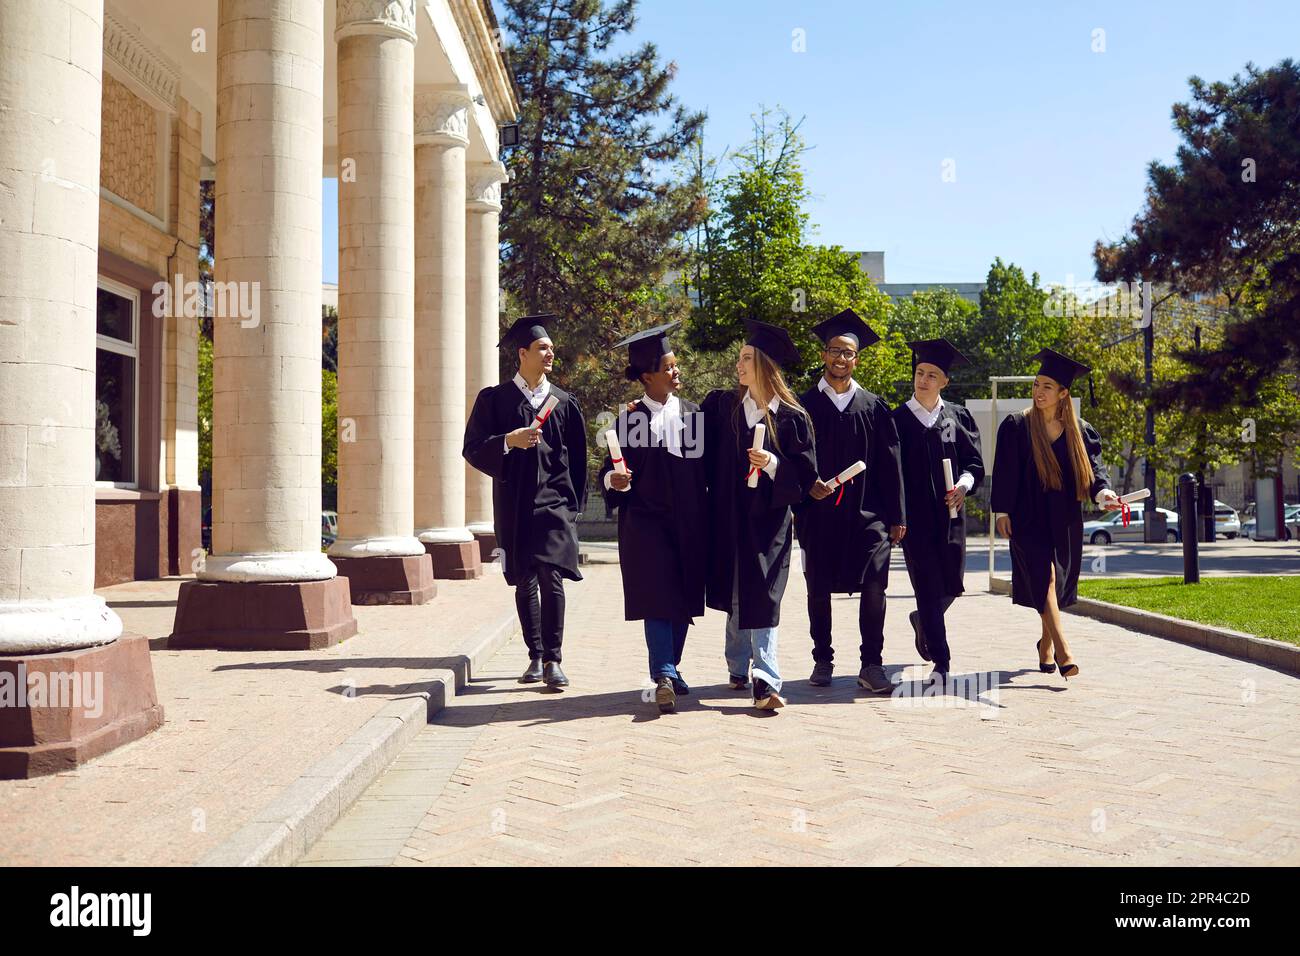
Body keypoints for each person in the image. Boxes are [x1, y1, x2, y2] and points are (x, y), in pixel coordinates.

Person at [462, 313, 588, 688]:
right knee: (525, 578)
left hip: (554, 504)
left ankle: (553, 659)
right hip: (514, 503)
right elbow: (471, 448)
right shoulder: (495, 400)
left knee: (551, 575)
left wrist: (573, 506)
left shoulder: (563, 403)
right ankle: (534, 656)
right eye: (542, 348)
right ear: (522, 353)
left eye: (551, 348)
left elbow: (578, 459)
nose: (550, 354)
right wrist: (507, 441)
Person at [702, 319, 818, 711]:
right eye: (739, 358)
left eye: (747, 358)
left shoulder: (792, 418)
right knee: (738, 594)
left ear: (765, 364)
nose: (739, 365)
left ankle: (765, 680)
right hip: (728, 517)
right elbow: (684, 423)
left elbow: (804, 480)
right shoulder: (724, 409)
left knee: (763, 597)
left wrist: (772, 464)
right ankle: (737, 664)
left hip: (769, 524)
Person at [990, 348, 1121, 680]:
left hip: (1064, 519)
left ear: (1064, 393)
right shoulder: (1017, 426)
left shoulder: (1081, 431)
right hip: (1026, 516)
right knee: (1044, 579)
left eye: (1047, 386)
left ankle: (1044, 646)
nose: (1038, 391)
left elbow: (1095, 473)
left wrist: (1104, 493)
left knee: (1057, 584)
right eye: (1037, 384)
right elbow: (1004, 471)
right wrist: (1002, 511)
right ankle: (1064, 651)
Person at [793, 309, 906, 693]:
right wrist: (808, 486)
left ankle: (871, 664)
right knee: (817, 587)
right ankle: (822, 659)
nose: (841, 358)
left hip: (868, 514)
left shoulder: (874, 407)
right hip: (820, 513)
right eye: (834, 351)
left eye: (848, 353)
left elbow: (892, 464)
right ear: (824, 355)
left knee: (876, 584)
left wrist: (897, 515)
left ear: (857, 359)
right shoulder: (803, 405)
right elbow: (791, 456)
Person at [598, 322, 707, 714]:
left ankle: (671, 668)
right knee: (658, 598)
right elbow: (605, 474)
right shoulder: (627, 422)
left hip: (690, 524)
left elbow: (708, 472)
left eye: (677, 365)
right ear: (647, 377)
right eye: (669, 367)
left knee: (683, 600)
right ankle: (662, 672)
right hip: (645, 525)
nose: (676, 372)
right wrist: (617, 479)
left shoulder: (696, 416)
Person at [891, 339, 984, 684]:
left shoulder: (958, 417)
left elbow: (974, 463)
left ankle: (922, 620)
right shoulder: (898, 419)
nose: (923, 379)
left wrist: (963, 485)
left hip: (951, 516)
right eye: (919, 373)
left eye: (932, 375)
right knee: (928, 587)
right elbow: (891, 471)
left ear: (945, 381)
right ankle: (942, 660)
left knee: (952, 585)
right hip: (915, 521)